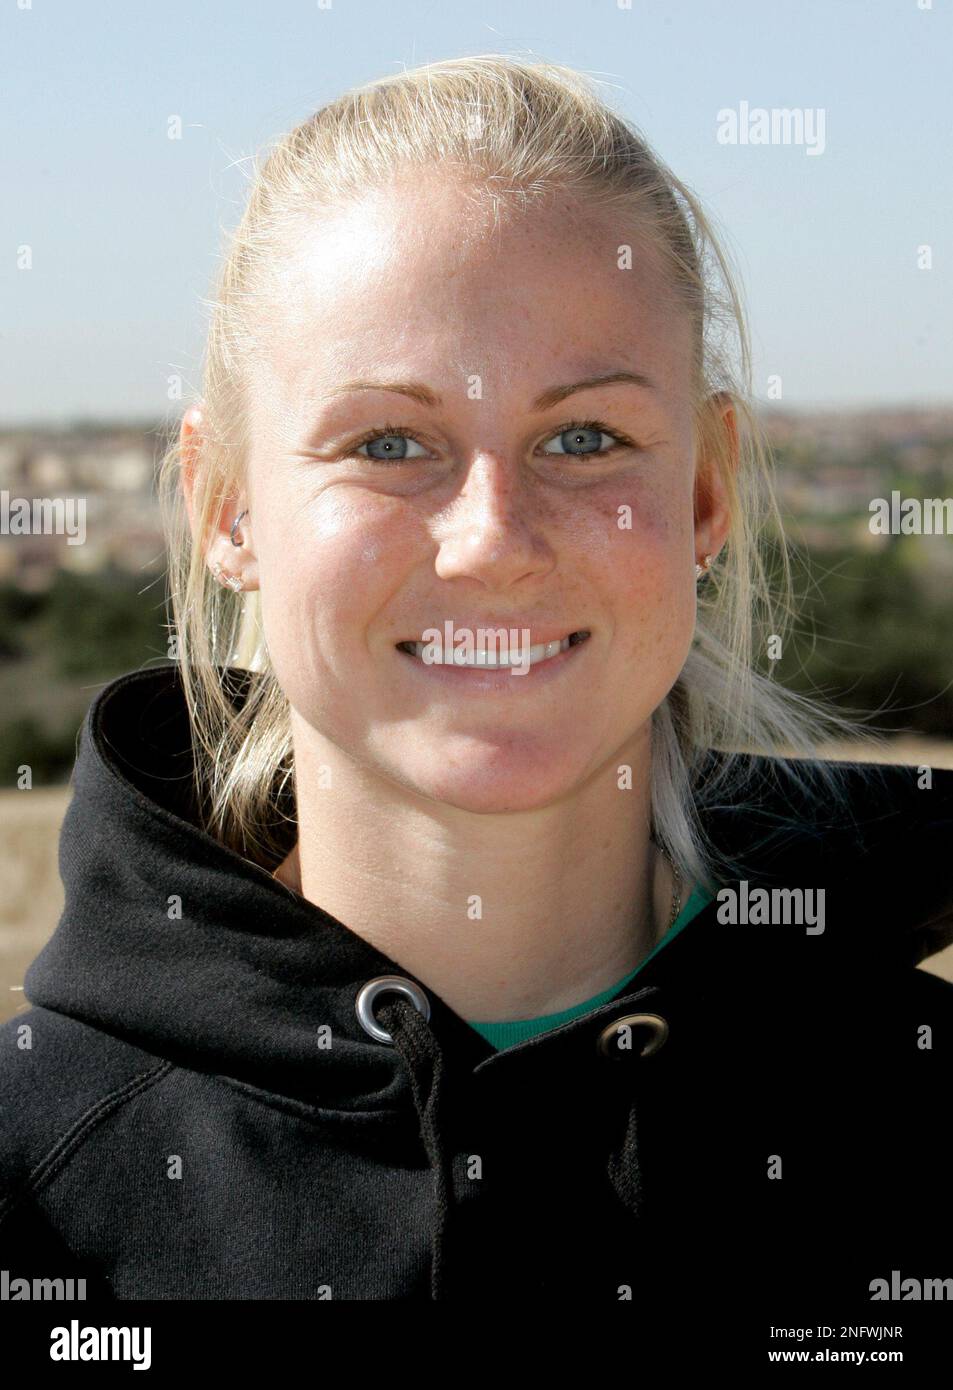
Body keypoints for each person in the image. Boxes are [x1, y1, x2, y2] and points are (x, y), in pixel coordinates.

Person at [1, 55, 951, 1318]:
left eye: (583, 438)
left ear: (706, 491)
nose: (492, 537)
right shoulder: (35, 1195)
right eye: (388, 443)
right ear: (226, 508)